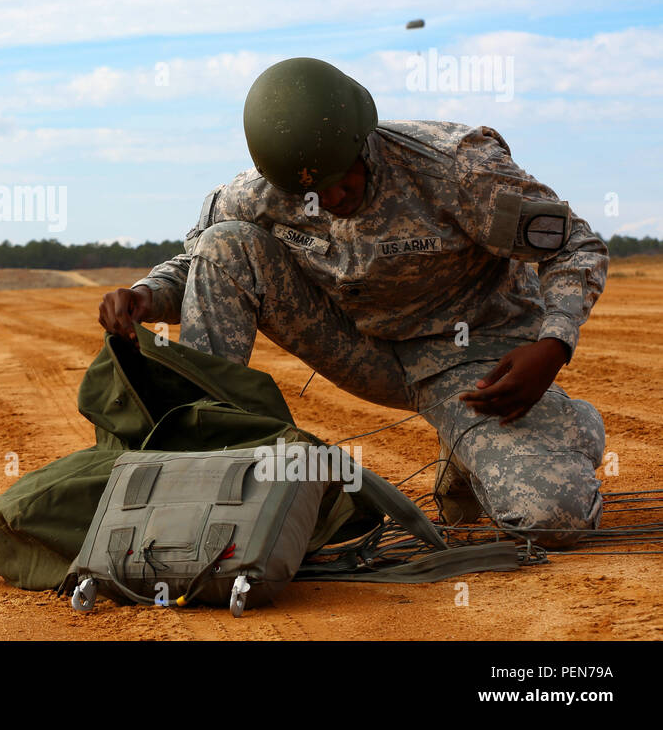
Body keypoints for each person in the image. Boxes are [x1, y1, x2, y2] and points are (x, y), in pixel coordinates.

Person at [98, 57, 608, 548]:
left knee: (548, 516)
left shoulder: (457, 170)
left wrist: (552, 345)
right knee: (225, 242)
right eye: (314, 192)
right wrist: (145, 295)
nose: (333, 198)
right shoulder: (259, 195)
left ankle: (564, 427)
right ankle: (202, 453)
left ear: (365, 141)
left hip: (472, 361)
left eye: (344, 179)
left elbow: (574, 245)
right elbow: (200, 264)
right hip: (360, 347)